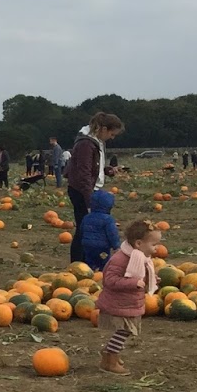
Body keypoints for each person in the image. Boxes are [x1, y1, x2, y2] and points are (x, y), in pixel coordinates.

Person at [96, 219, 160, 376]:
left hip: (128, 302)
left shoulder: (140, 257)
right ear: (138, 243)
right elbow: (110, 280)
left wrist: (151, 279)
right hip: (119, 304)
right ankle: (110, 358)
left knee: (125, 332)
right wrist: (134, 283)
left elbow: (139, 276)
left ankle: (111, 356)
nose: (157, 248)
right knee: (123, 331)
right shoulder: (121, 259)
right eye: (154, 245)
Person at [67, 111, 124, 263]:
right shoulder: (86, 143)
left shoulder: (95, 141)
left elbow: (92, 168)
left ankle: (85, 261)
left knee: (87, 227)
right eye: (112, 134)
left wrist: (107, 170)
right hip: (82, 191)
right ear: (104, 129)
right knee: (84, 228)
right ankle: (77, 264)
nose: (112, 138)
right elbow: (84, 173)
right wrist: (89, 200)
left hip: (88, 190)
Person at [79, 189, 122, 270]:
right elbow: (112, 234)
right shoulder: (108, 219)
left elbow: (81, 230)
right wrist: (116, 246)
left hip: (87, 245)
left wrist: (83, 240)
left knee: (89, 261)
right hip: (102, 247)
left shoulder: (87, 217)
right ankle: (101, 273)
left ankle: (89, 272)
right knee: (103, 263)